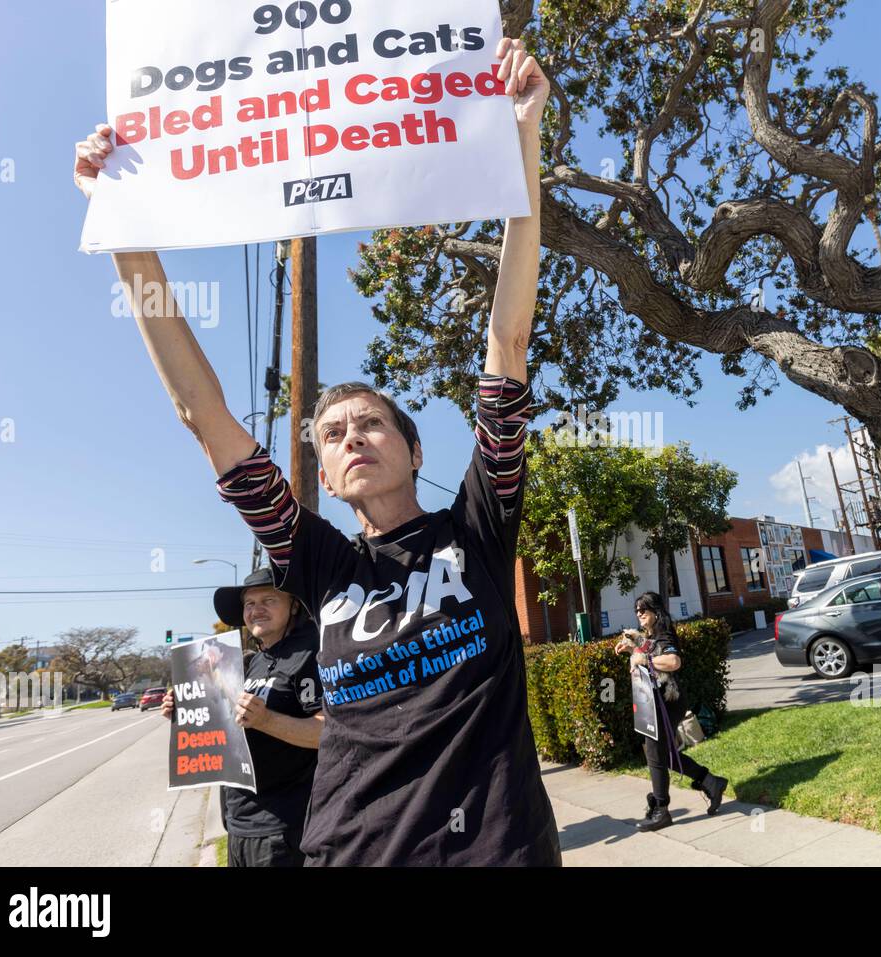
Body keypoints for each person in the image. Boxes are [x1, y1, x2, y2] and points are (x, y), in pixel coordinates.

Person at [82, 37, 560, 865]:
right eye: (333, 435)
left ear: (413, 448)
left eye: (372, 423)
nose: (353, 438)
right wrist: (126, 231)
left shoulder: (477, 530)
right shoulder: (320, 563)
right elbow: (204, 414)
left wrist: (524, 136)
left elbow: (508, 341)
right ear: (327, 479)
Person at [162, 569, 324, 866]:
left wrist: (267, 720)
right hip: (238, 822)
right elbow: (225, 720)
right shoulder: (249, 662)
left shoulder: (312, 652)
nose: (256, 610)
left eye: (268, 600)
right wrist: (185, 709)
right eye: (249, 604)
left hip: (284, 827)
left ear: (294, 606)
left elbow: (330, 733)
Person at [614, 591, 727, 831]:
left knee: (655, 753)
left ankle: (661, 809)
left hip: (668, 702)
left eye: (643, 609)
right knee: (660, 755)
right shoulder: (650, 635)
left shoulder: (665, 632)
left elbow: (673, 662)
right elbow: (646, 652)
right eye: (636, 610)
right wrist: (631, 650)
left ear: (655, 611)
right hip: (653, 702)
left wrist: (644, 660)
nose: (639, 614)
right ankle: (710, 782)